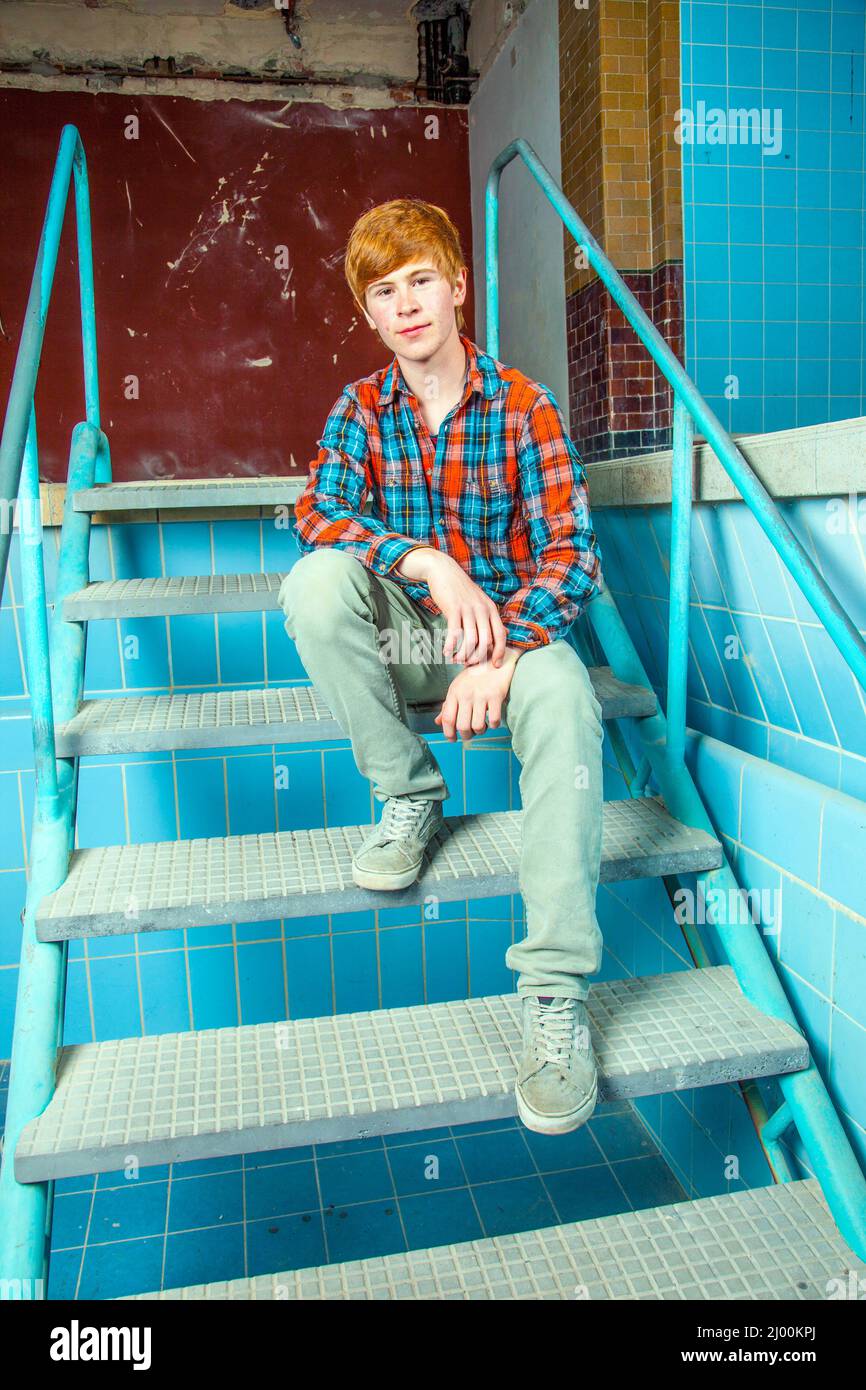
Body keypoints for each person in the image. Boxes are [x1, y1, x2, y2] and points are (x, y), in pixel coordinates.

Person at [279, 197, 605, 1136]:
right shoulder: (359, 410)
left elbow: (572, 556)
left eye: (422, 279)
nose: (407, 303)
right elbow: (318, 516)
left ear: (458, 288)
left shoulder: (524, 404)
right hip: (408, 641)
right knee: (315, 583)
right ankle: (410, 793)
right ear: (371, 316)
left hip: (510, 645)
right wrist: (427, 562)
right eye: (385, 291)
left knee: (568, 701)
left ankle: (555, 1000)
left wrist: (501, 646)